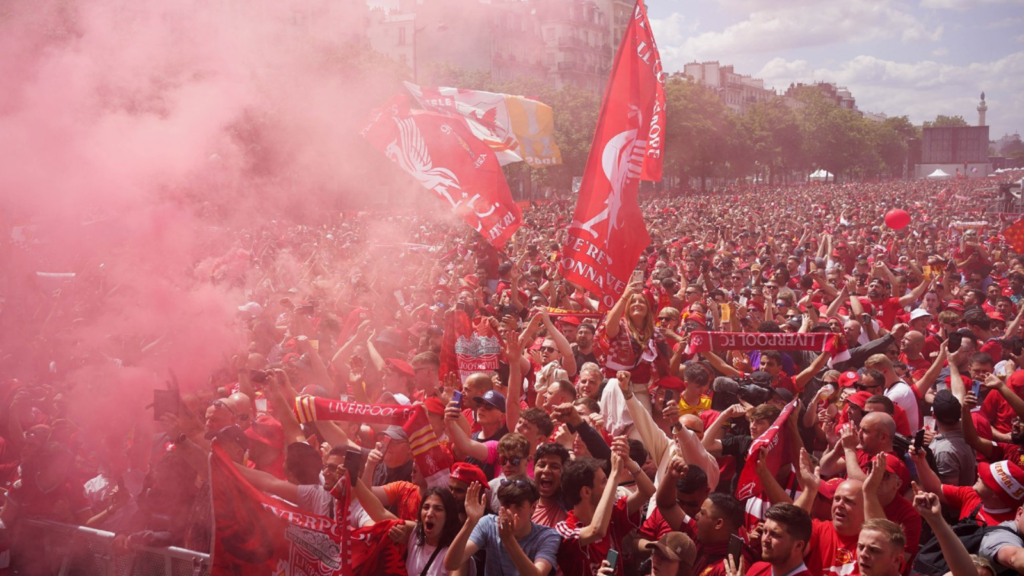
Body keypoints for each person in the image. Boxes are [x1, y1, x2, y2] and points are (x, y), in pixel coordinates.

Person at [555, 438, 654, 576]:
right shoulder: (564, 530)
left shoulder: (612, 513)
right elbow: (596, 531)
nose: (609, 485)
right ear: (586, 492)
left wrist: (628, 461)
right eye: (603, 482)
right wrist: (614, 474)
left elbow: (648, 492)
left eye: (607, 480)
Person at [443, 479, 560, 576]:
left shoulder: (548, 536)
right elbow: (451, 564)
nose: (510, 512)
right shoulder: (488, 524)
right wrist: (471, 521)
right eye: (506, 505)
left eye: (518, 506)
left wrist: (509, 540)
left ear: (533, 507)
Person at [745, 503, 813, 576]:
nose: (765, 539)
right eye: (765, 531)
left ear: (798, 545)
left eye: (775, 534)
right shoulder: (757, 569)